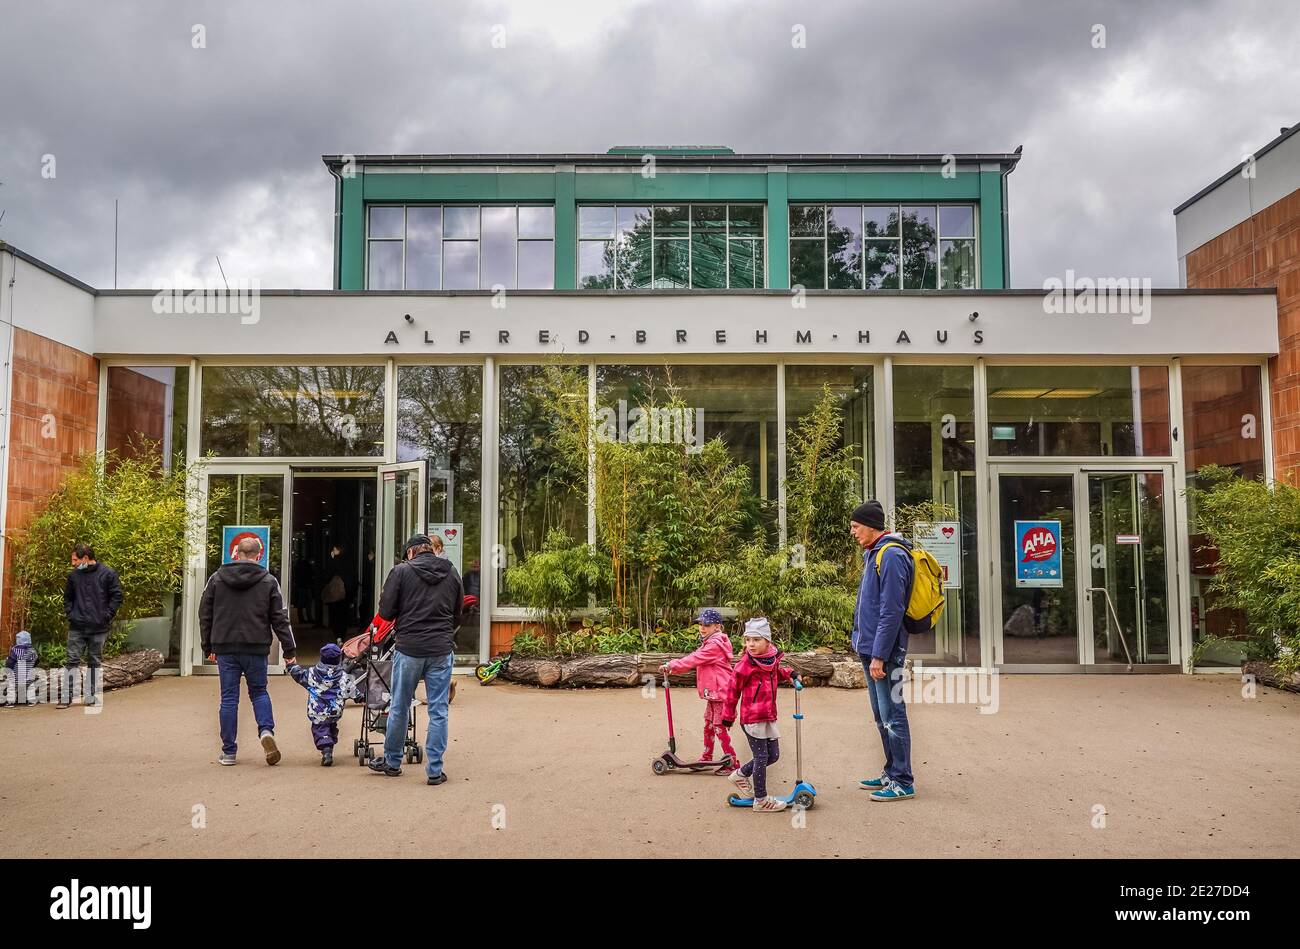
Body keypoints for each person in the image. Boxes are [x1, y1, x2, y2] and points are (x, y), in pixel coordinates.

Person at [367, 534, 462, 785]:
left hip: (409, 648)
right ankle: (434, 770)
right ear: (431, 550)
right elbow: (459, 610)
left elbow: (386, 612)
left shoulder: (401, 572)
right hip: (441, 648)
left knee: (399, 705)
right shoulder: (451, 572)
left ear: (410, 552)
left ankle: (392, 761)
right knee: (439, 710)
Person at [199, 536, 298, 766]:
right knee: (259, 692)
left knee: (229, 698)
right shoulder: (268, 580)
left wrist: (208, 646)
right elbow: (279, 619)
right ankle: (266, 731)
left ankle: (229, 752)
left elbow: (205, 614)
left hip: (226, 648)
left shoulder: (216, 579)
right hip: (256, 648)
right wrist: (289, 649)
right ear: (259, 555)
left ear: (235, 553)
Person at [850, 500, 916, 801]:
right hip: (870, 646)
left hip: (886, 650)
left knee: (893, 714)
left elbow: (892, 610)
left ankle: (903, 780)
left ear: (871, 526)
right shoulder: (874, 554)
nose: (853, 532)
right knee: (881, 715)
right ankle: (891, 772)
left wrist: (879, 654)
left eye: (856, 526)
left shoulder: (891, 555)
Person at [721, 617, 797, 812]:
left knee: (773, 755)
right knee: (762, 756)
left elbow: (775, 672)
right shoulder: (745, 665)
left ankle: (740, 775)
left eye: (756, 640)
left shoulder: (770, 659)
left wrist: (790, 674)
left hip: (768, 715)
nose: (751, 645)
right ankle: (761, 800)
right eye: (748, 640)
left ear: (767, 641)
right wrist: (728, 716)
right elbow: (732, 691)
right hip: (752, 718)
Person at [659, 608, 738, 772]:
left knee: (718, 726)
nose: (702, 627)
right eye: (700, 624)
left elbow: (694, 658)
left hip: (720, 692)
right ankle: (707, 757)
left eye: (706, 625)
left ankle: (733, 762)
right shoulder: (711, 642)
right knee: (709, 725)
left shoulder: (714, 645)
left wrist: (672, 665)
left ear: (717, 626)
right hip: (714, 692)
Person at [60, 543, 123, 709]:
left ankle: (91, 696)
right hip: (77, 626)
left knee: (94, 662)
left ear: (85, 558)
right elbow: (67, 598)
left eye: (75, 559)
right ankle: (66, 697)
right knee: (71, 660)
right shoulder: (74, 576)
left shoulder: (107, 573)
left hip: (99, 626)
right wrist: (71, 613)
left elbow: (117, 596)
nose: (73, 563)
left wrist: (107, 615)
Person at [287, 642, 349, 766]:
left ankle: (326, 751)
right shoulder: (342, 675)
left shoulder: (313, 673)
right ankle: (329, 745)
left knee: (320, 729)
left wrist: (291, 666)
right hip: (335, 711)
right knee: (331, 727)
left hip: (318, 711)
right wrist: (359, 697)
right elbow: (350, 688)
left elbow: (299, 675)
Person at [322, 544, 354, 639]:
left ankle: (338, 636)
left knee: (335, 616)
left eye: (335, 549)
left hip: (336, 595)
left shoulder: (335, 562)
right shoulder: (348, 563)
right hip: (346, 594)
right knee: (343, 616)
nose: (333, 551)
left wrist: (331, 559)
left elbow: (328, 574)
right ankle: (342, 636)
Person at [4, 631, 40, 707]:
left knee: (12, 687)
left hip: (16, 676)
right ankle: (32, 701)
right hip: (29, 675)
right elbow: (37, 660)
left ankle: (10, 702)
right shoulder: (33, 650)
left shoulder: (15, 650)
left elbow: (11, 662)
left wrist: (7, 668)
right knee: (30, 687)